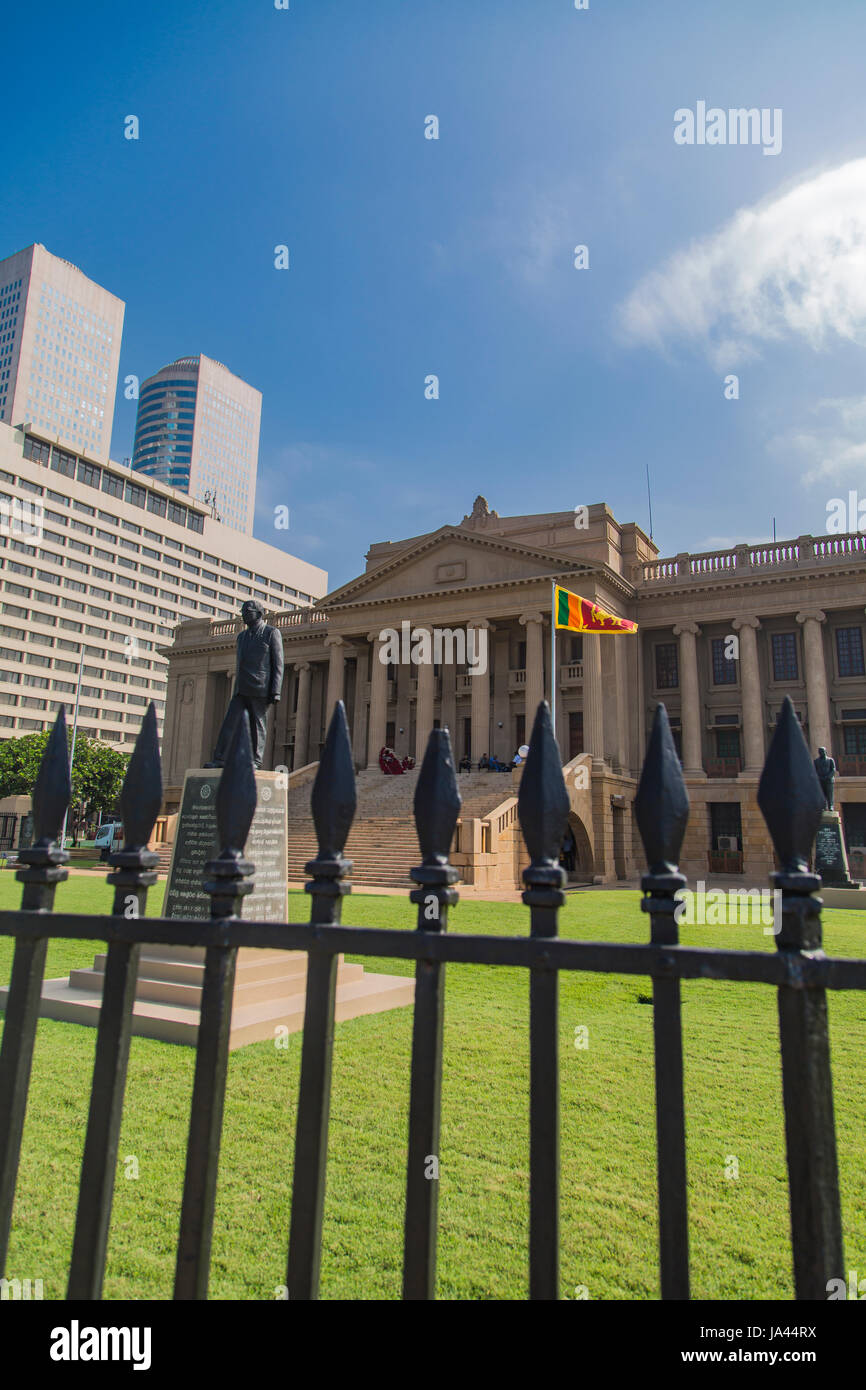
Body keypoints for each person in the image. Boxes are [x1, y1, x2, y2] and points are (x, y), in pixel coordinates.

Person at [206, 600, 284, 769]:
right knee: (230, 723)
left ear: (259, 613)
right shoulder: (241, 637)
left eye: (247, 611)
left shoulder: (271, 633)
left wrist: (275, 691)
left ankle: (255, 761)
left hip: (260, 688)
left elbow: (278, 663)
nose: (244, 614)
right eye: (242, 611)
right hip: (241, 689)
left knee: (258, 726)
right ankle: (220, 760)